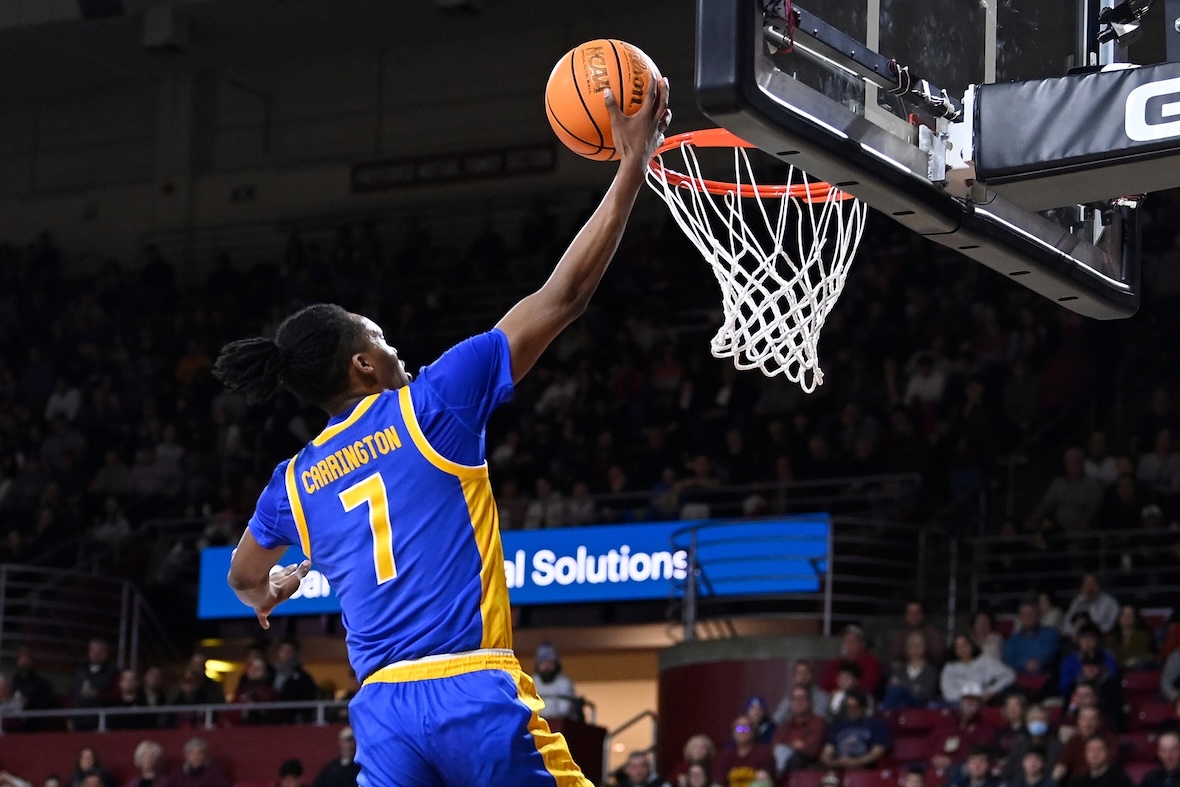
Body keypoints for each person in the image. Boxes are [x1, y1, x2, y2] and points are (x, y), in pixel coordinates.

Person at [218, 76, 671, 787]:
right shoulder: (432, 404)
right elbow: (564, 296)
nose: (395, 347)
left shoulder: (293, 484)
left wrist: (271, 590)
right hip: (470, 691)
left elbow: (243, 577)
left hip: (382, 714)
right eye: (381, 338)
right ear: (364, 364)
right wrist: (631, 167)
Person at [928, 684, 999, 780]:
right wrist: (934, 757)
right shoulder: (947, 723)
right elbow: (930, 744)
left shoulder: (985, 728)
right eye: (966, 699)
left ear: (979, 704)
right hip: (936, 764)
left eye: (973, 700)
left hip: (962, 768)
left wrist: (952, 761)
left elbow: (981, 754)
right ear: (961, 701)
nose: (969, 703)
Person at [818, 689, 890, 771]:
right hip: (839, 767)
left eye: (855, 707)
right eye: (848, 707)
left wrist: (855, 762)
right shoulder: (838, 726)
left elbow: (877, 752)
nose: (851, 710)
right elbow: (827, 752)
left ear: (863, 707)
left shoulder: (876, 725)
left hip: (864, 769)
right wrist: (834, 763)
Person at [941, 634, 1016, 704]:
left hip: (985, 702)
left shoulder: (985, 660)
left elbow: (1009, 675)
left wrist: (992, 691)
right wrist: (968, 698)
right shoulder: (949, 668)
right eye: (958, 647)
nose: (962, 649)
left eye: (964, 645)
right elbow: (947, 692)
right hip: (959, 705)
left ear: (971, 645)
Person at [772, 685, 827, 774]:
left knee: (795, 761)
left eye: (802, 698)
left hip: (806, 762)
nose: (799, 702)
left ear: (809, 702)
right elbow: (775, 745)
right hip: (783, 760)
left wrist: (794, 746)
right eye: (795, 699)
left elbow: (812, 748)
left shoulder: (817, 723)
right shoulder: (785, 726)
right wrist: (794, 745)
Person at [1003, 704, 1063, 783]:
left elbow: (1051, 773)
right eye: (1033, 719)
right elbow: (1010, 770)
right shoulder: (1019, 743)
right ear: (1026, 723)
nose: (1037, 722)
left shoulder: (1057, 747)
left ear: (1048, 722)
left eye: (1041, 719)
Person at [1004, 600, 1061, 679]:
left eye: (1031, 613)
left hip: (1045, 677)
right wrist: (1023, 664)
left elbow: (1050, 653)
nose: (1028, 617)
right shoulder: (1013, 640)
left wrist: (1038, 662)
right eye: (1024, 614)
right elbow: (1008, 659)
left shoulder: (1050, 633)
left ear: (1037, 615)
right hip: (1019, 678)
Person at [882, 631, 940, 709]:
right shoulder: (899, 669)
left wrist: (903, 685)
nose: (915, 647)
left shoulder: (930, 670)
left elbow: (926, 693)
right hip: (899, 706)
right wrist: (914, 687)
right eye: (912, 644)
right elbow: (890, 689)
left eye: (919, 644)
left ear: (925, 647)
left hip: (920, 706)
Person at [820, 626, 883, 697]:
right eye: (846, 642)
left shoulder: (872, 663)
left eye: (853, 641)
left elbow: (868, 687)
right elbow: (825, 685)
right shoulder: (835, 663)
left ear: (862, 643)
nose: (849, 645)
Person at [71, 638, 119, 731]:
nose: (94, 654)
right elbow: (72, 694)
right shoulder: (80, 671)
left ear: (105, 653)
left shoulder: (113, 672)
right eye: (92, 650)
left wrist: (98, 695)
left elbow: (117, 695)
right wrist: (70, 717)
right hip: (79, 721)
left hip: (101, 721)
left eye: (98, 651)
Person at [714, 716, 775, 787]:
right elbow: (719, 782)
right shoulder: (724, 756)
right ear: (733, 732)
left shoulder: (763, 752)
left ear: (752, 732)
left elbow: (767, 780)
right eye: (739, 728)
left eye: (746, 728)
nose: (743, 731)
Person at [273, 640, 318, 723]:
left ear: (295, 653)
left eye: (289, 651)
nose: (286, 654)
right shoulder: (271, 673)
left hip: (292, 720)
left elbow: (308, 697)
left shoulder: (303, 677)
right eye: (283, 651)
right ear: (278, 653)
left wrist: (302, 716)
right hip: (273, 720)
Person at [889, 601, 947, 665]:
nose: (913, 616)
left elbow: (938, 656)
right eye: (910, 613)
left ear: (922, 615)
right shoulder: (900, 636)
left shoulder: (934, 634)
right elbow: (895, 658)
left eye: (916, 613)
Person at [533, 643, 579, 721]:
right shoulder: (532, 682)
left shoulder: (565, 683)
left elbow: (564, 710)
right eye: (543, 663)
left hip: (559, 723)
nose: (546, 666)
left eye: (549, 662)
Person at [773, 660, 830, 725]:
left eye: (806, 672)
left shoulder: (822, 697)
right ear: (794, 676)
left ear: (811, 675)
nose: (802, 676)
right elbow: (777, 719)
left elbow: (818, 722)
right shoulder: (789, 696)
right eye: (799, 673)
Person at [160, 738, 229, 787]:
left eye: (200, 753)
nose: (196, 757)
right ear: (186, 756)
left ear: (205, 755)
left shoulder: (215, 775)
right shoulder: (176, 776)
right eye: (192, 753)